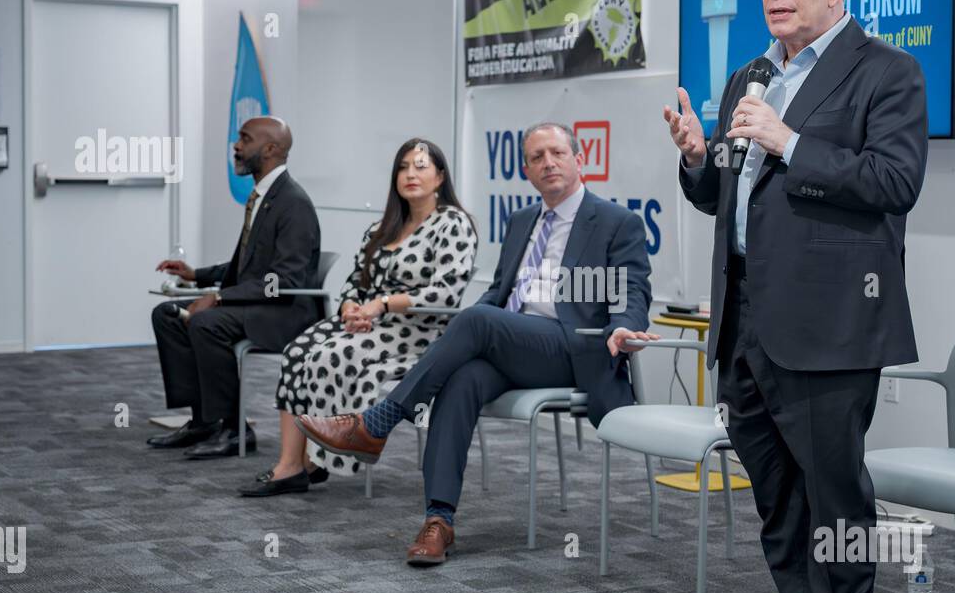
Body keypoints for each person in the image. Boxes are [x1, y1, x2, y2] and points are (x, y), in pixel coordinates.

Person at [664, 0, 927, 593]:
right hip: (746, 317)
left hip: (831, 323)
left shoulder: (887, 71)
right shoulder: (750, 73)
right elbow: (725, 198)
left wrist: (790, 140)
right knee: (776, 491)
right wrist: (694, 158)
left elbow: (894, 181)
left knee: (834, 493)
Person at [296, 122, 659, 565]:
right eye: (537, 157)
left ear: (578, 160)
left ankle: (377, 422)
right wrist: (481, 322)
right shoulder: (523, 219)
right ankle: (438, 521)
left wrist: (624, 326)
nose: (548, 163)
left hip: (574, 349)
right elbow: (501, 292)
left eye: (557, 153)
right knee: (462, 378)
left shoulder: (615, 222)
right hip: (516, 344)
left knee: (478, 320)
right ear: (526, 170)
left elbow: (633, 291)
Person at [242, 138, 477, 496]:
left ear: (440, 177)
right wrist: (350, 307)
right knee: (295, 353)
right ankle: (290, 465)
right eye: (403, 167)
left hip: (418, 330)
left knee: (330, 354)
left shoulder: (453, 224)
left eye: (420, 166)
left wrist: (382, 304)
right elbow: (355, 283)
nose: (410, 174)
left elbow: (445, 293)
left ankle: (317, 459)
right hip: (365, 323)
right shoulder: (381, 228)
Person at [150, 116, 322, 459]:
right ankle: (202, 420)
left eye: (245, 139)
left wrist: (220, 296)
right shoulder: (264, 197)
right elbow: (249, 267)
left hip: (284, 313)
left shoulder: (293, 202)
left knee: (207, 321)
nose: (236, 145)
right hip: (259, 305)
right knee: (168, 314)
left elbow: (281, 281)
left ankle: (233, 428)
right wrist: (197, 274)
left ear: (270, 149)